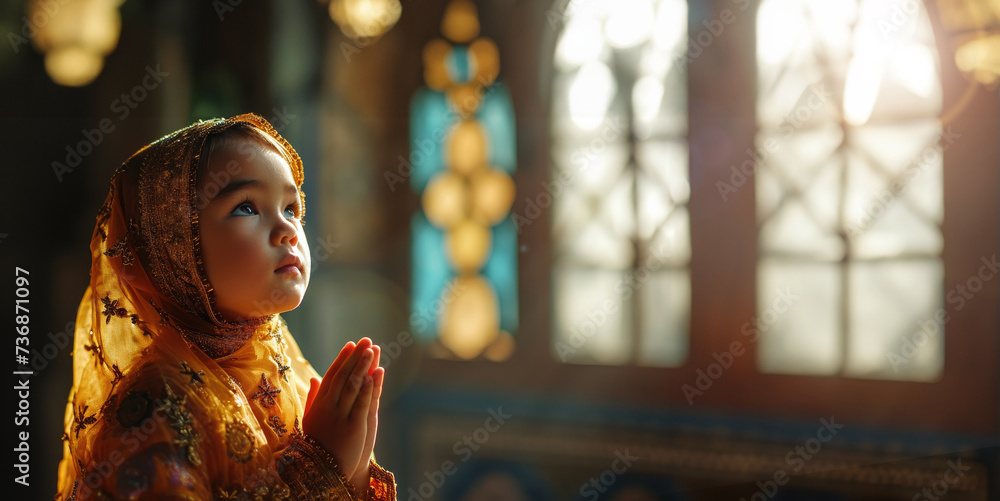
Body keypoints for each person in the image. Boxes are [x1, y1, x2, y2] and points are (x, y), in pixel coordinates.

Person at [54, 113, 396, 500]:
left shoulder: (283, 367)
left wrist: (354, 468)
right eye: (247, 208)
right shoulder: (154, 407)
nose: (288, 230)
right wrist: (319, 465)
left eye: (291, 208)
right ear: (171, 247)